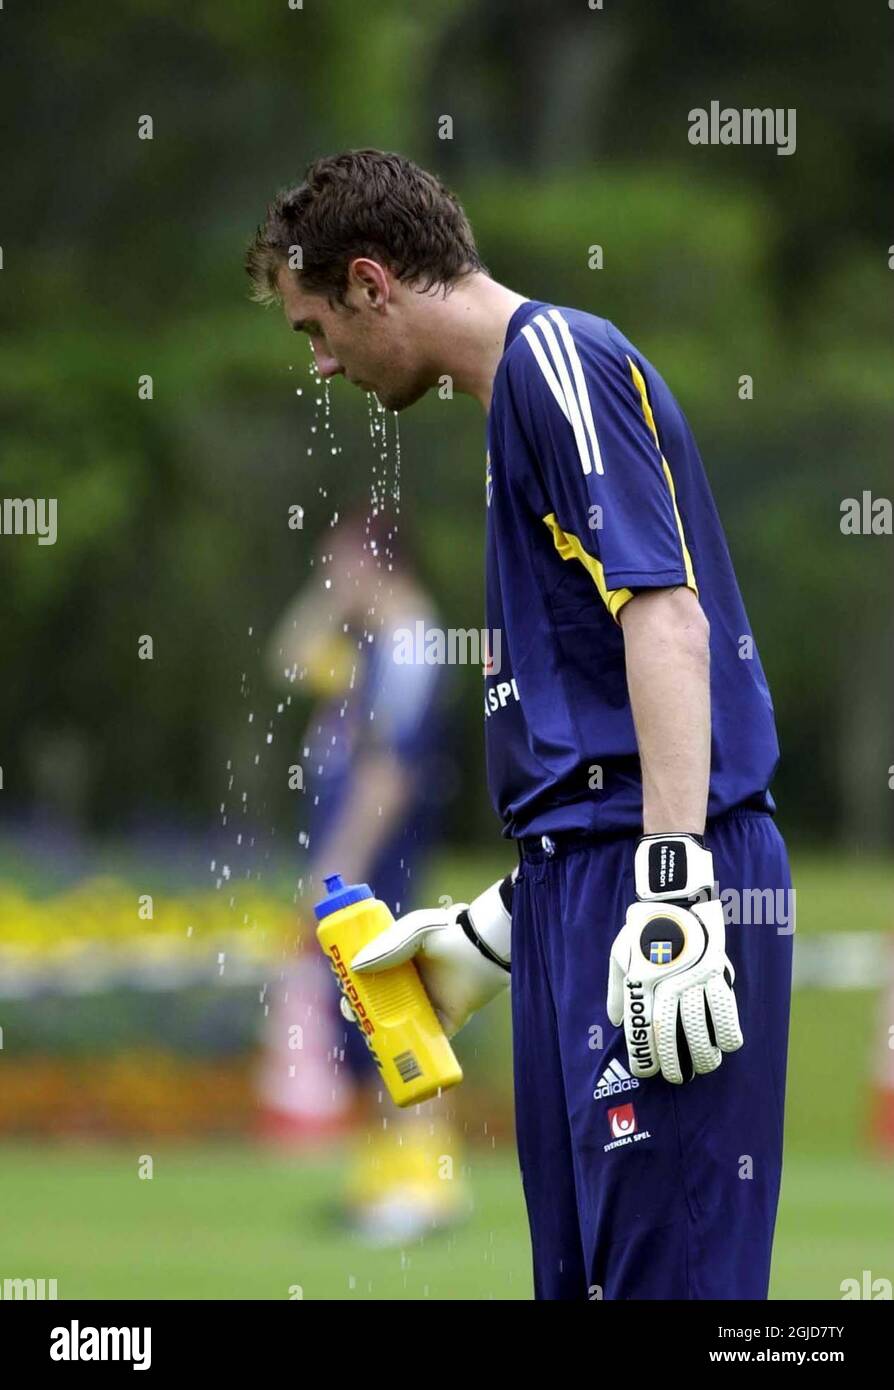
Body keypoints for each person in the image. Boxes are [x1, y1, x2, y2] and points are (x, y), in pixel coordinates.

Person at [245, 150, 793, 1300]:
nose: (321, 361)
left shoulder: (556, 362)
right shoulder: (508, 413)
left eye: (315, 329)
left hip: (664, 888)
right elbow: (597, 735)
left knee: (672, 1287)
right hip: (587, 888)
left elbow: (668, 622)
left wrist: (675, 888)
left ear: (371, 282)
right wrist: (505, 924)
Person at [258, 512, 466, 1244]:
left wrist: (333, 869)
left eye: (339, 566)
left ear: (379, 563)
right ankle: (389, 1177)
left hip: (379, 866)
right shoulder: (367, 644)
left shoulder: (410, 641)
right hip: (359, 866)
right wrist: (330, 593)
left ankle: (428, 1183)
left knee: (396, 1012)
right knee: (364, 1026)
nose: (332, 582)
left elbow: (389, 773)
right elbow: (287, 660)